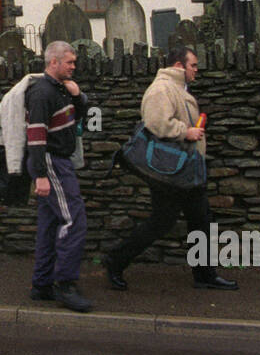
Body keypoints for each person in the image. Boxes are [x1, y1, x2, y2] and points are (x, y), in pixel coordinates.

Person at [102, 46, 238, 291]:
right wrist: (185, 132)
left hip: (185, 167)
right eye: (193, 65)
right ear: (179, 66)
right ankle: (115, 259)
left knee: (200, 220)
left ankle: (204, 275)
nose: (196, 70)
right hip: (171, 170)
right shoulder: (162, 88)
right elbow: (156, 123)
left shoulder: (174, 88)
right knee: (163, 222)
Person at [26, 40, 94, 313]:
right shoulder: (42, 92)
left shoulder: (61, 89)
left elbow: (82, 118)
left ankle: (41, 285)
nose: (73, 67)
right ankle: (65, 285)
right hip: (52, 162)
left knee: (51, 223)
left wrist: (77, 97)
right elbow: (36, 134)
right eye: (70, 62)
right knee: (73, 220)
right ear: (53, 62)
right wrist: (41, 175)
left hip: (57, 162)